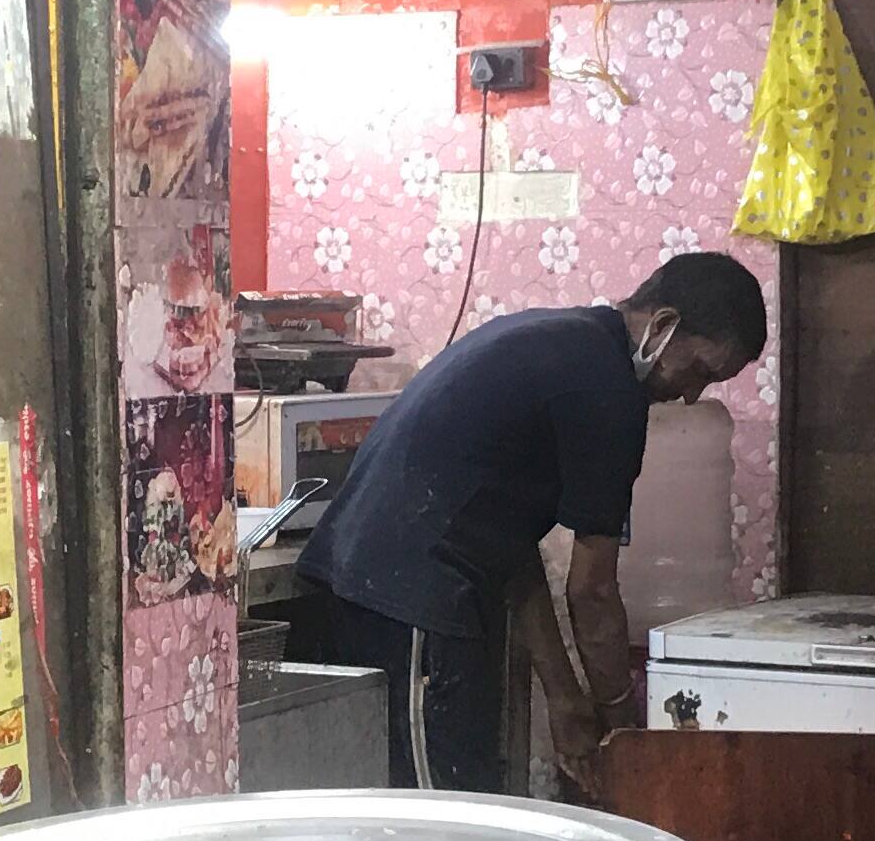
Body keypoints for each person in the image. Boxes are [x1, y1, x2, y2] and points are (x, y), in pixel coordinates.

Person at [294, 252, 767, 793]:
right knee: (442, 810)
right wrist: (624, 729)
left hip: (369, 580)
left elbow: (512, 551)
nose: (691, 394)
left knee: (444, 792)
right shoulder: (608, 392)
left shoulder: (564, 341)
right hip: (409, 594)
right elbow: (590, 593)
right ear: (663, 325)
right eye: (700, 371)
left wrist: (566, 700)